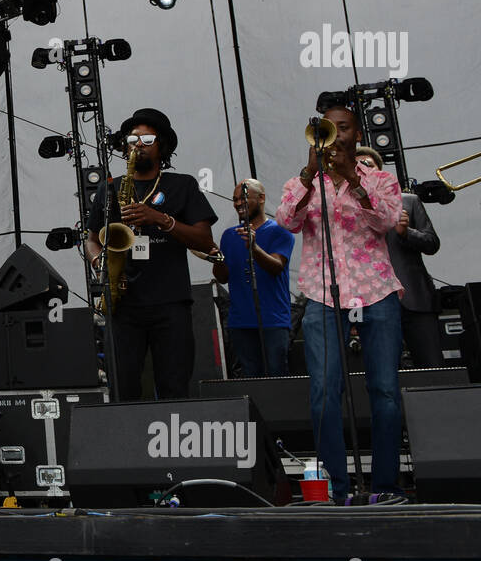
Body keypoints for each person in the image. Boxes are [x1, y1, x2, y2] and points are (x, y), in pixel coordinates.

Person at [278, 106, 404, 502]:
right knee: (324, 391)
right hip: (322, 293)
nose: (334, 136)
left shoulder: (381, 178)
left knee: (383, 390)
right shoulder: (304, 182)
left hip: (376, 290)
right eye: (327, 130)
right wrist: (307, 176)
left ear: (358, 134)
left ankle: (385, 487)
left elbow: (386, 222)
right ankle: (335, 487)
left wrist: (354, 180)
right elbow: (286, 222)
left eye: (342, 128)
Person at [86, 108, 217, 400]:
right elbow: (91, 238)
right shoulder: (111, 188)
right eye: (132, 138)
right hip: (124, 305)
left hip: (170, 303)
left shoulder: (182, 185)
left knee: (174, 387)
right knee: (124, 390)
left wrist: (160, 219)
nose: (137, 143)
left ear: (163, 146)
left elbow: (205, 240)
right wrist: (99, 260)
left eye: (147, 138)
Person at [355, 147, 443, 368]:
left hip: (414, 298)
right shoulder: (348, 209)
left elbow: (432, 244)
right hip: (371, 301)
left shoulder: (408, 201)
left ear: (380, 170)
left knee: (432, 367)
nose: (364, 170)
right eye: (358, 167)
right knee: (384, 372)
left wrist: (407, 232)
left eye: (369, 165)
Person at [212, 179, 294, 377]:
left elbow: (277, 267)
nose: (238, 203)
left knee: (277, 375)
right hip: (240, 321)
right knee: (249, 377)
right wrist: (216, 259)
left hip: (273, 320)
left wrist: (254, 248)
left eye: (244, 197)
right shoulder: (229, 235)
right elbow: (223, 278)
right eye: (235, 199)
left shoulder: (280, 230)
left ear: (262, 198)